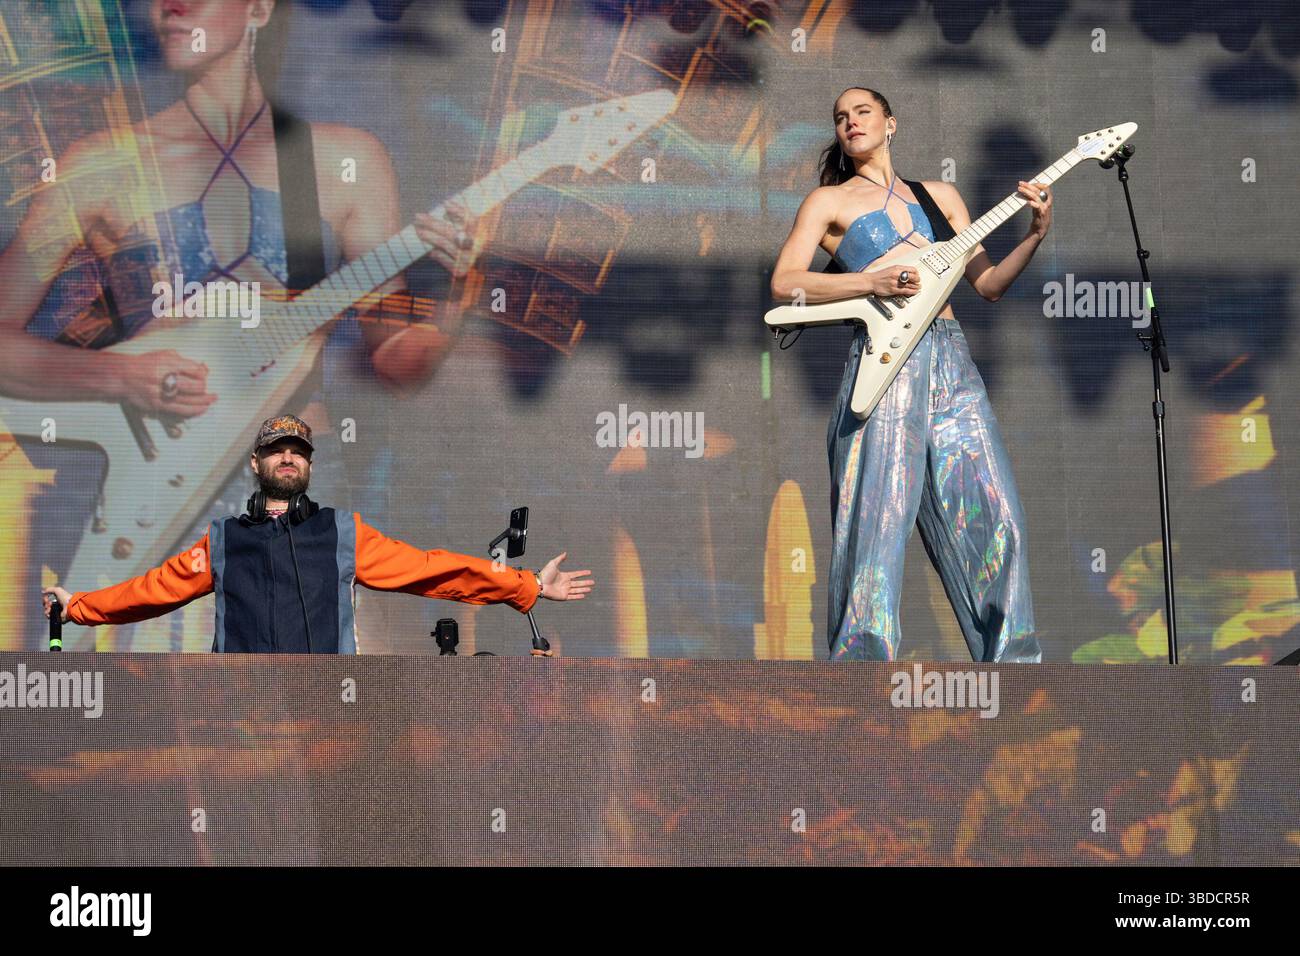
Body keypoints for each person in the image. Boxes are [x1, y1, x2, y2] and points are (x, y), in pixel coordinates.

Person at [1, 0, 474, 648]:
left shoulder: (344, 160)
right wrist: (119, 376)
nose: (172, 5)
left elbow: (397, 358)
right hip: (151, 507)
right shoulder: (101, 165)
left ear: (258, 7)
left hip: (301, 494)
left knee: (316, 735)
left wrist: (466, 293)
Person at [770, 86, 1048, 662]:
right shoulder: (828, 201)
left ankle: (1016, 671)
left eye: (862, 112)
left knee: (998, 519)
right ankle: (863, 673)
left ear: (890, 123)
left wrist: (1035, 234)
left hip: (950, 358)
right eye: (841, 117)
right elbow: (785, 283)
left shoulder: (940, 196)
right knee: (876, 522)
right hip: (886, 360)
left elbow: (989, 285)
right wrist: (868, 281)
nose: (851, 123)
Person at [41, 415, 594, 652]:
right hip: (238, 713)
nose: (288, 457)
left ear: (308, 466)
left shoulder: (341, 532)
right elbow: (153, 589)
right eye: (277, 450)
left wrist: (528, 587)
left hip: (326, 708)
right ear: (256, 464)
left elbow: (434, 569)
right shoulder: (224, 539)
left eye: (298, 451)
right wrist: (79, 607)